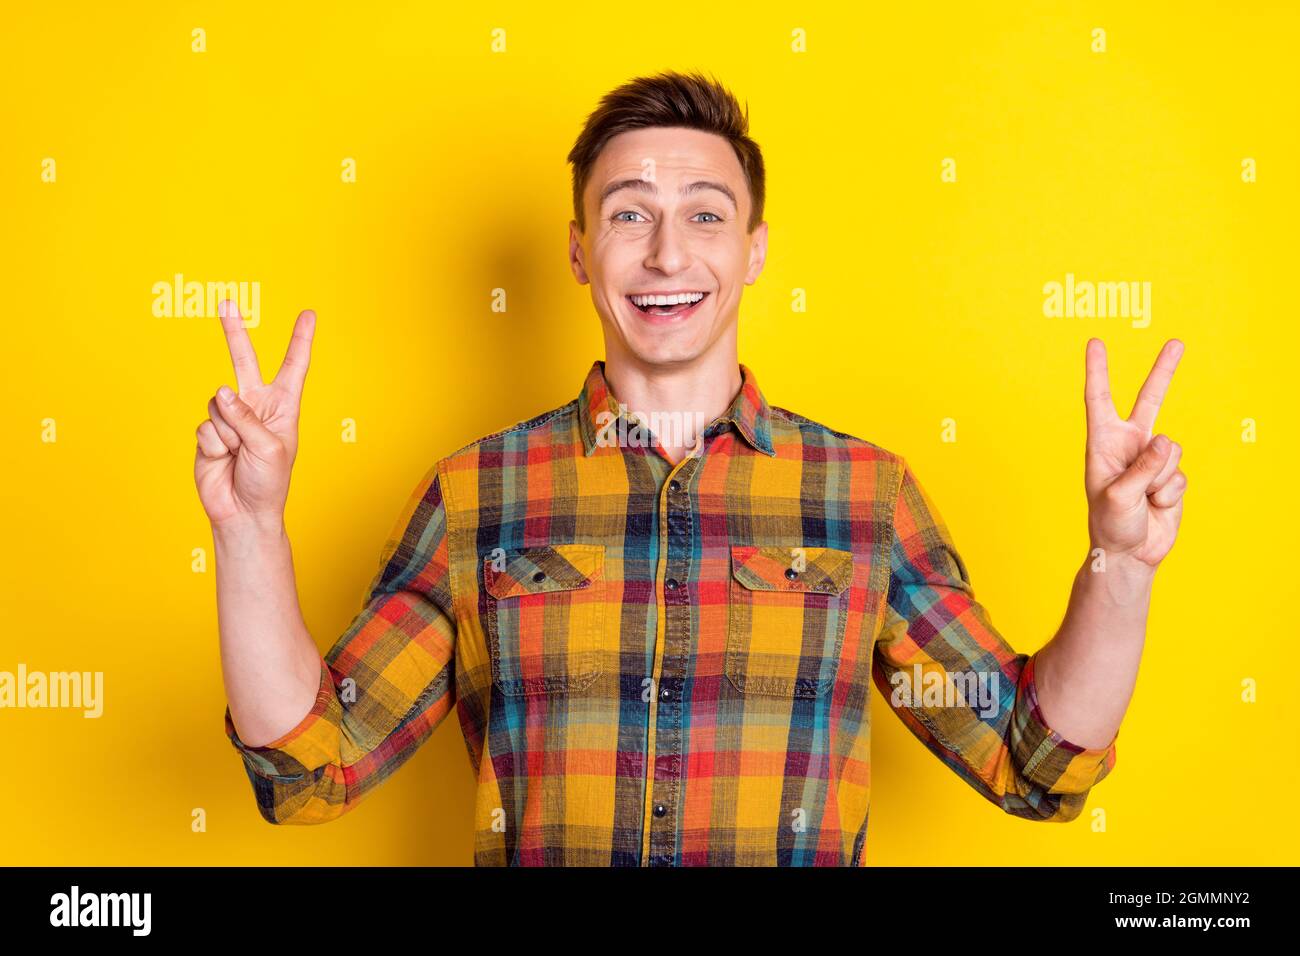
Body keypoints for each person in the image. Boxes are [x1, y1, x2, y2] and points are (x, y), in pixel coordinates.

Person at [194, 70, 1186, 866]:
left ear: (754, 250)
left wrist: (1121, 565)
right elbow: (311, 766)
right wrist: (248, 530)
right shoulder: (472, 495)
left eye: (705, 216)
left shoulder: (865, 495)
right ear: (581, 253)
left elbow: (1030, 758)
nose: (667, 254)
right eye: (628, 216)